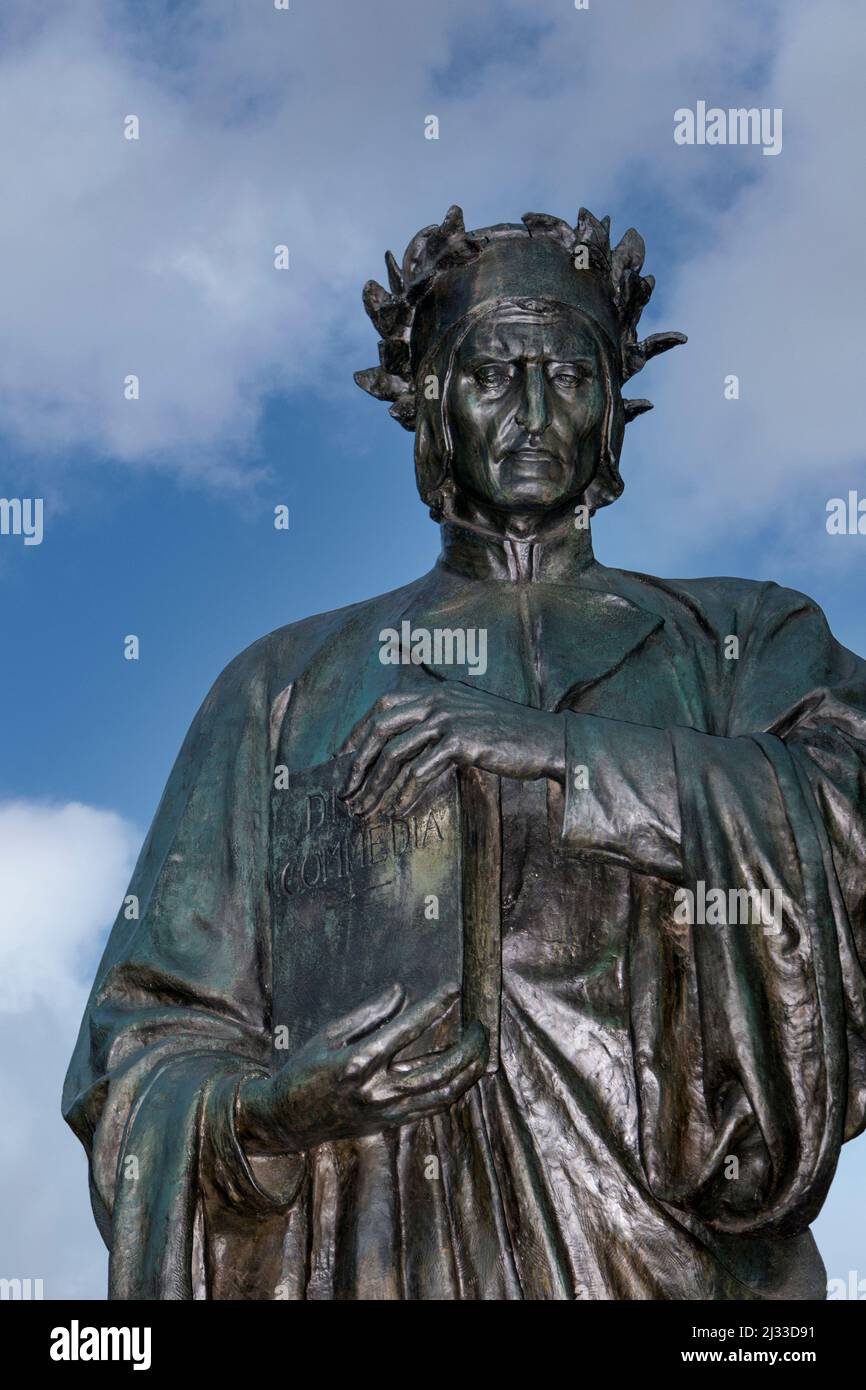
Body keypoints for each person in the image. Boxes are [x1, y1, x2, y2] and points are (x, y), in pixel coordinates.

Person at [64, 205, 866, 1299]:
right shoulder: (283, 688)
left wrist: (558, 755)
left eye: (570, 376)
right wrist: (270, 1109)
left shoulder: (743, 641)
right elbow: (146, 1036)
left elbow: (842, 813)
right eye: (490, 375)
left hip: (686, 1271)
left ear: (614, 408)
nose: (534, 413)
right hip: (383, 1247)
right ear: (428, 404)